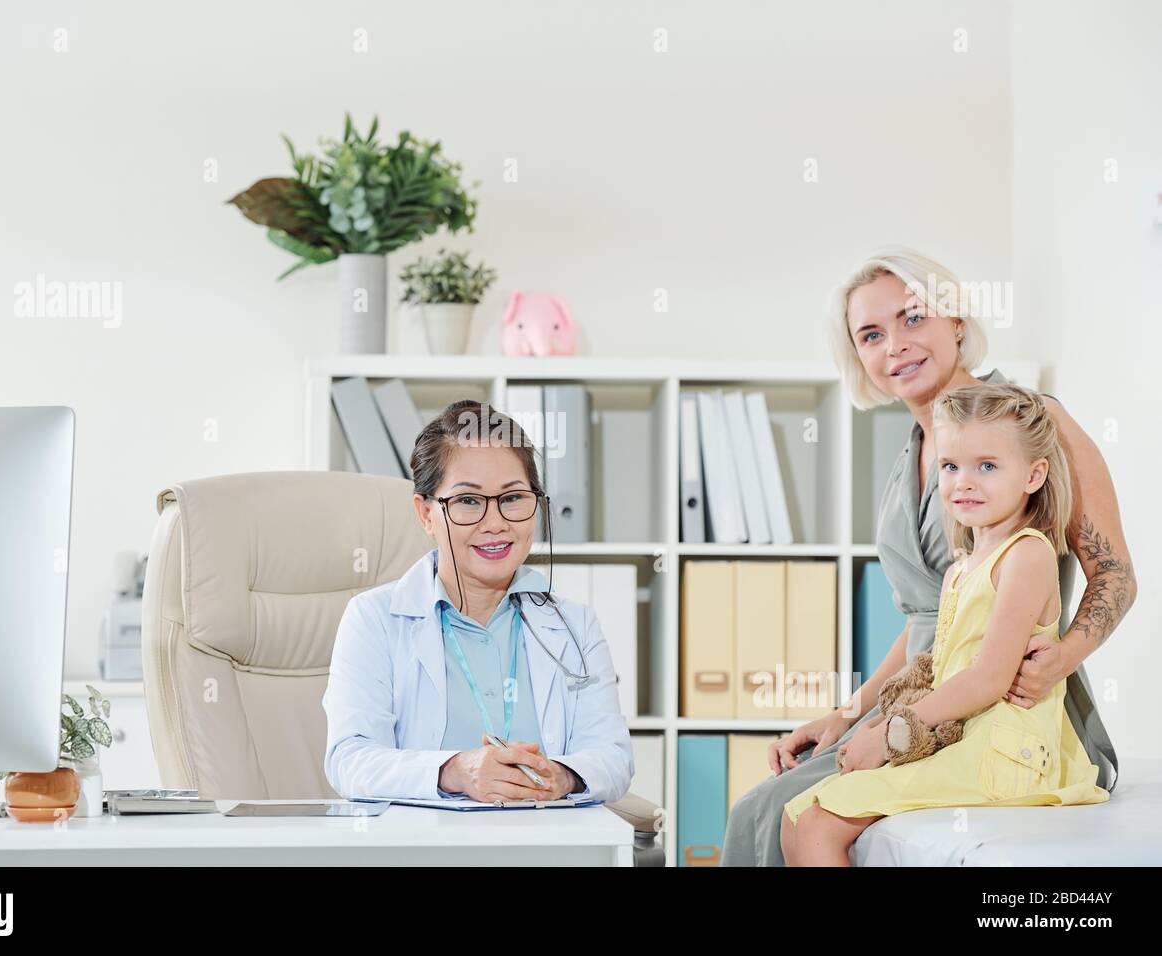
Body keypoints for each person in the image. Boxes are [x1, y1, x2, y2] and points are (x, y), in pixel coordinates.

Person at [723, 246, 1135, 866]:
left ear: (958, 324)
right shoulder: (916, 457)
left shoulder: (1031, 424)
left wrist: (1063, 656)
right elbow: (926, 622)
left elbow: (1116, 575)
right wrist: (848, 713)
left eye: (913, 318)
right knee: (757, 807)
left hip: (1005, 711)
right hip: (918, 703)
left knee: (784, 814)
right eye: (871, 334)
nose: (895, 345)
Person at [780, 383, 1110, 864]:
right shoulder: (960, 567)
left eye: (988, 466)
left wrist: (890, 733)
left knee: (818, 823)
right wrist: (863, 719)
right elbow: (935, 665)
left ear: (1034, 474)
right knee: (797, 815)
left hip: (1007, 751)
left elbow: (987, 679)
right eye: (951, 467)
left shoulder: (1027, 555)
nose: (964, 482)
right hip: (968, 734)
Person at [323, 399, 633, 804]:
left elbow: (612, 756)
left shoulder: (576, 626)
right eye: (468, 501)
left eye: (513, 498)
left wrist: (563, 776)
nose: (495, 523)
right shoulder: (374, 620)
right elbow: (351, 761)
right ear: (426, 513)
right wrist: (455, 772)